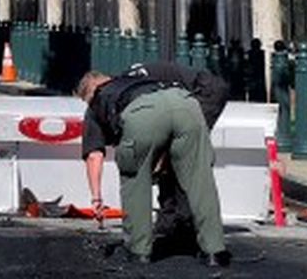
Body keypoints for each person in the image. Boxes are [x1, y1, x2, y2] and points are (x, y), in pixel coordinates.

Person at [77, 66, 229, 267]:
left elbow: (94, 156)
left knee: (135, 179)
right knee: (200, 179)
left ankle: (138, 250)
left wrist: (96, 198)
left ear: (90, 92)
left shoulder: (98, 100)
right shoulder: (132, 79)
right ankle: (215, 251)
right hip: (185, 103)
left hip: (143, 113)